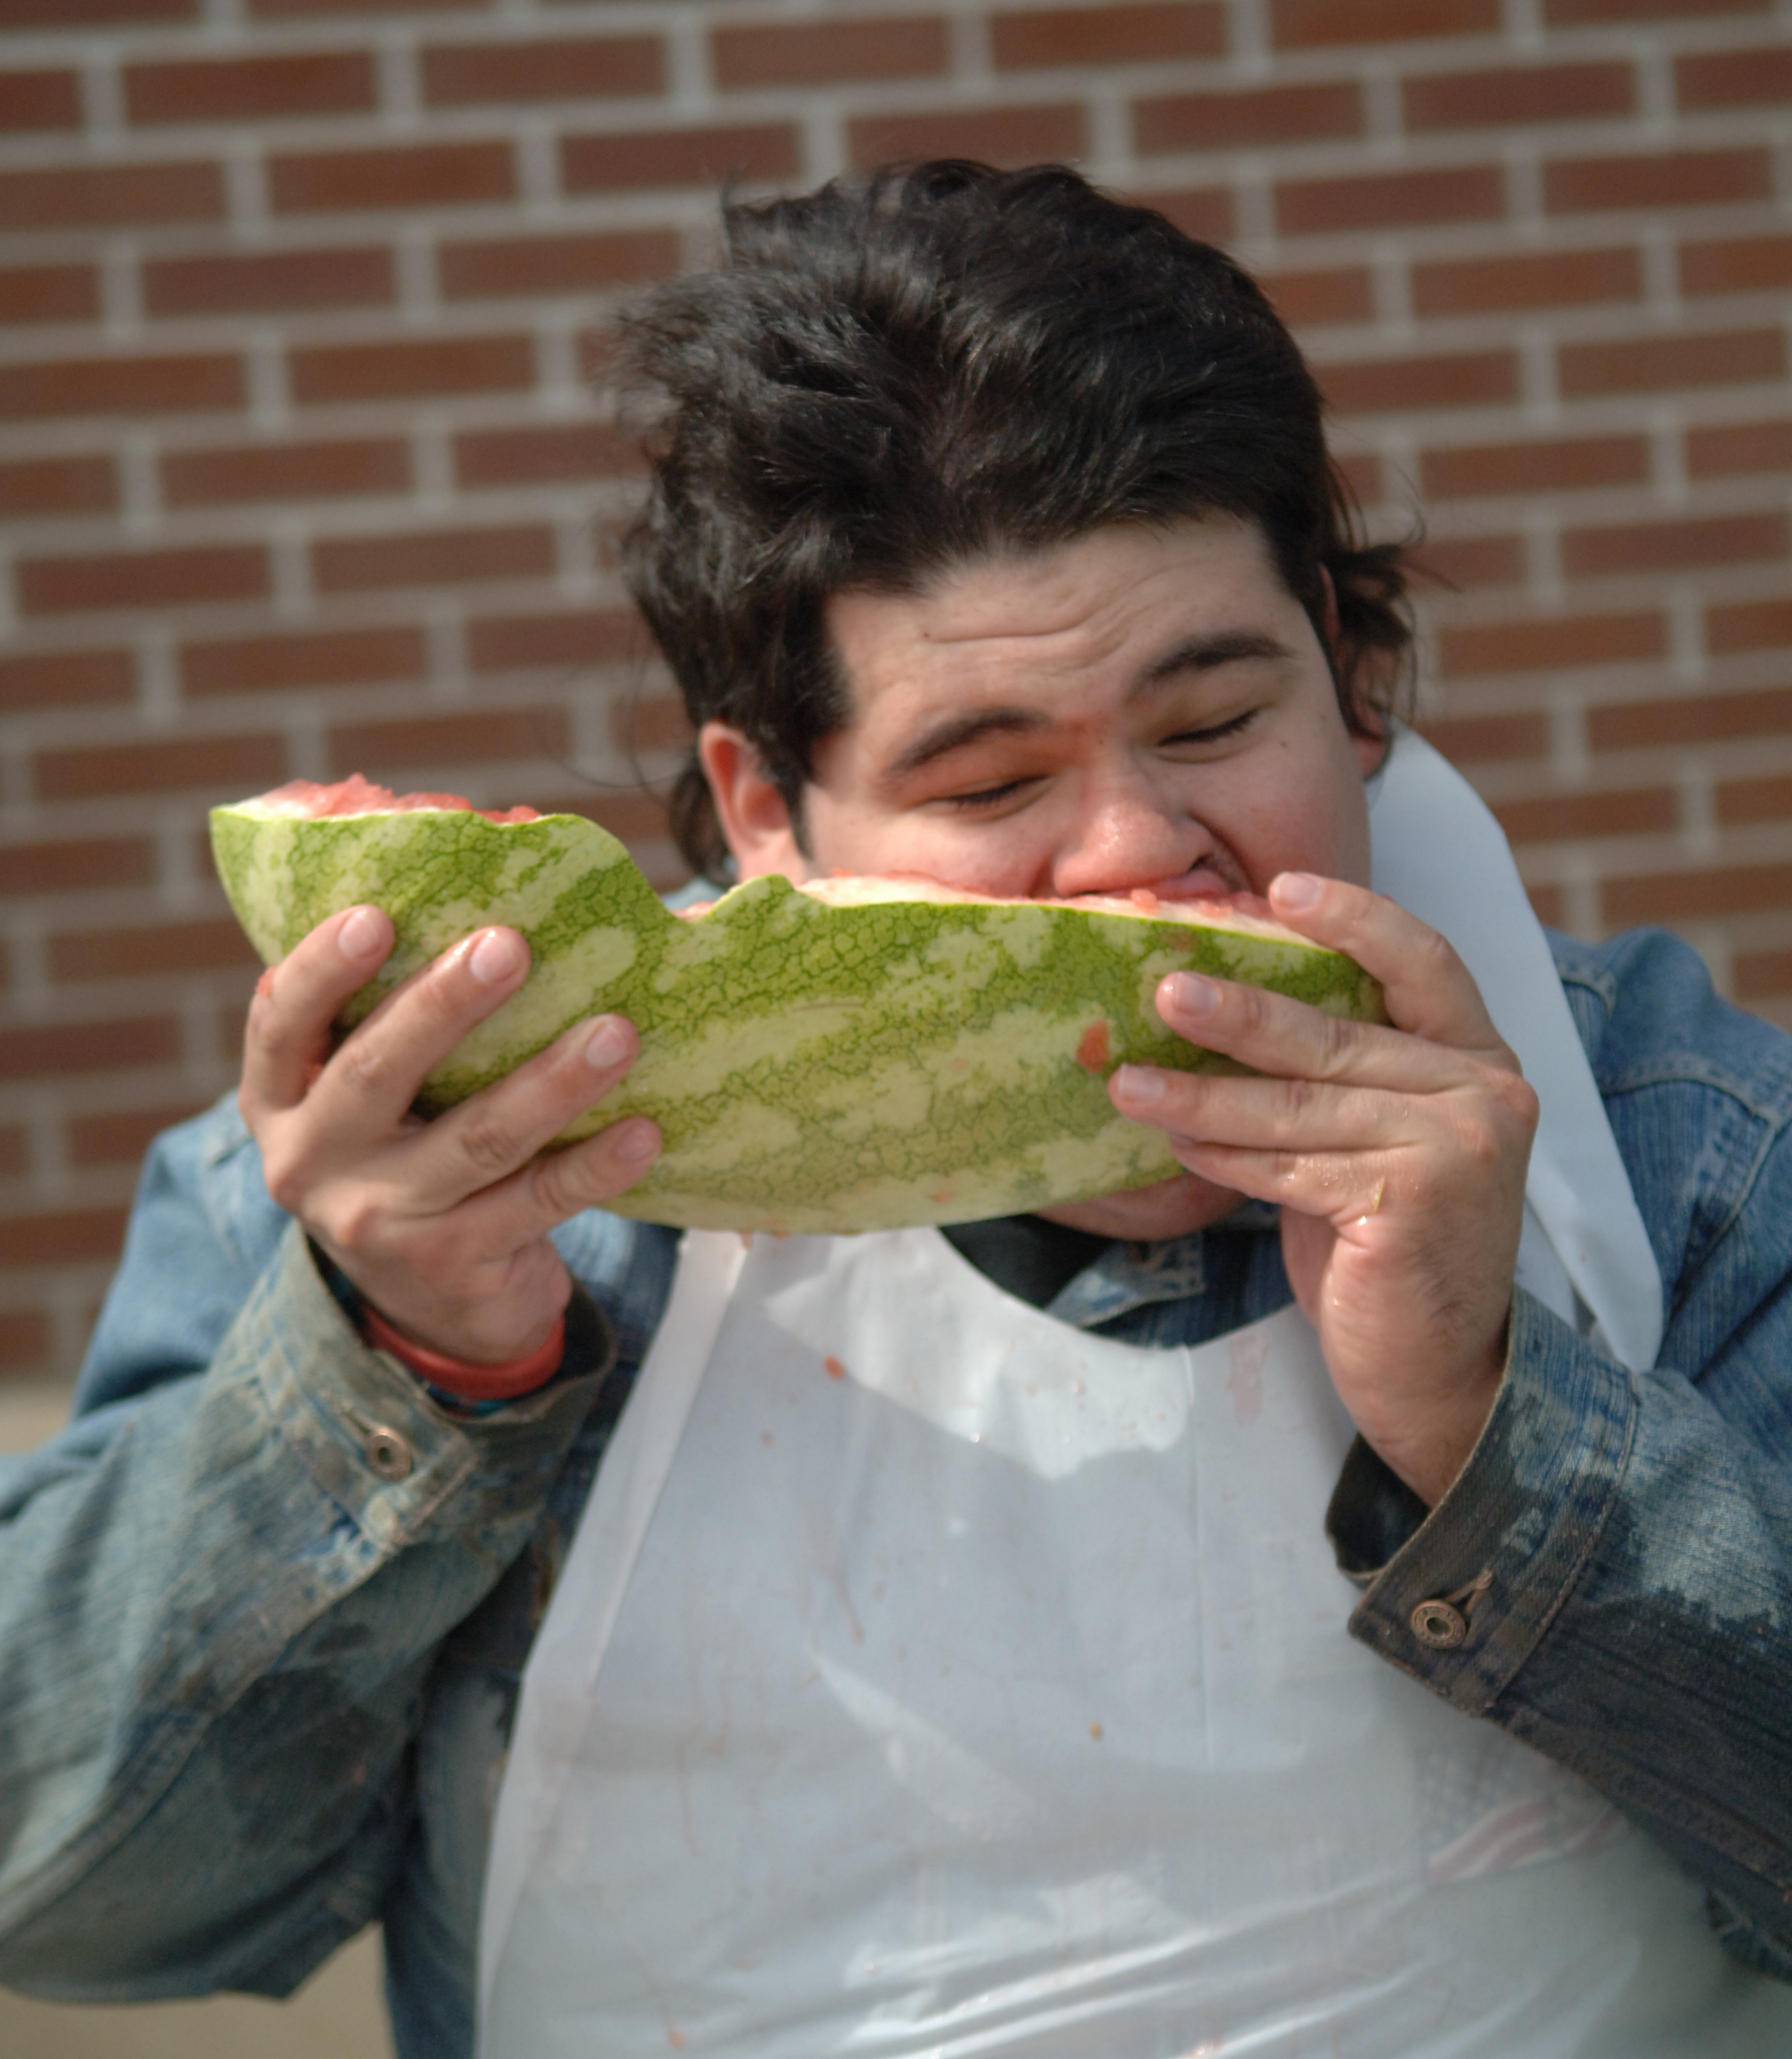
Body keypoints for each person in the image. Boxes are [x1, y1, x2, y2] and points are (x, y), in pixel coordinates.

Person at [1, 162, 1788, 2058]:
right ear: (766, 813)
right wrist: (401, 1371)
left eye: (1210, 723)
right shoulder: (439, 1181)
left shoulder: (1678, 1148)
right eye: (990, 780)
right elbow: (70, 1901)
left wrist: (1497, 1415)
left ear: (1352, 682)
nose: (1136, 851)